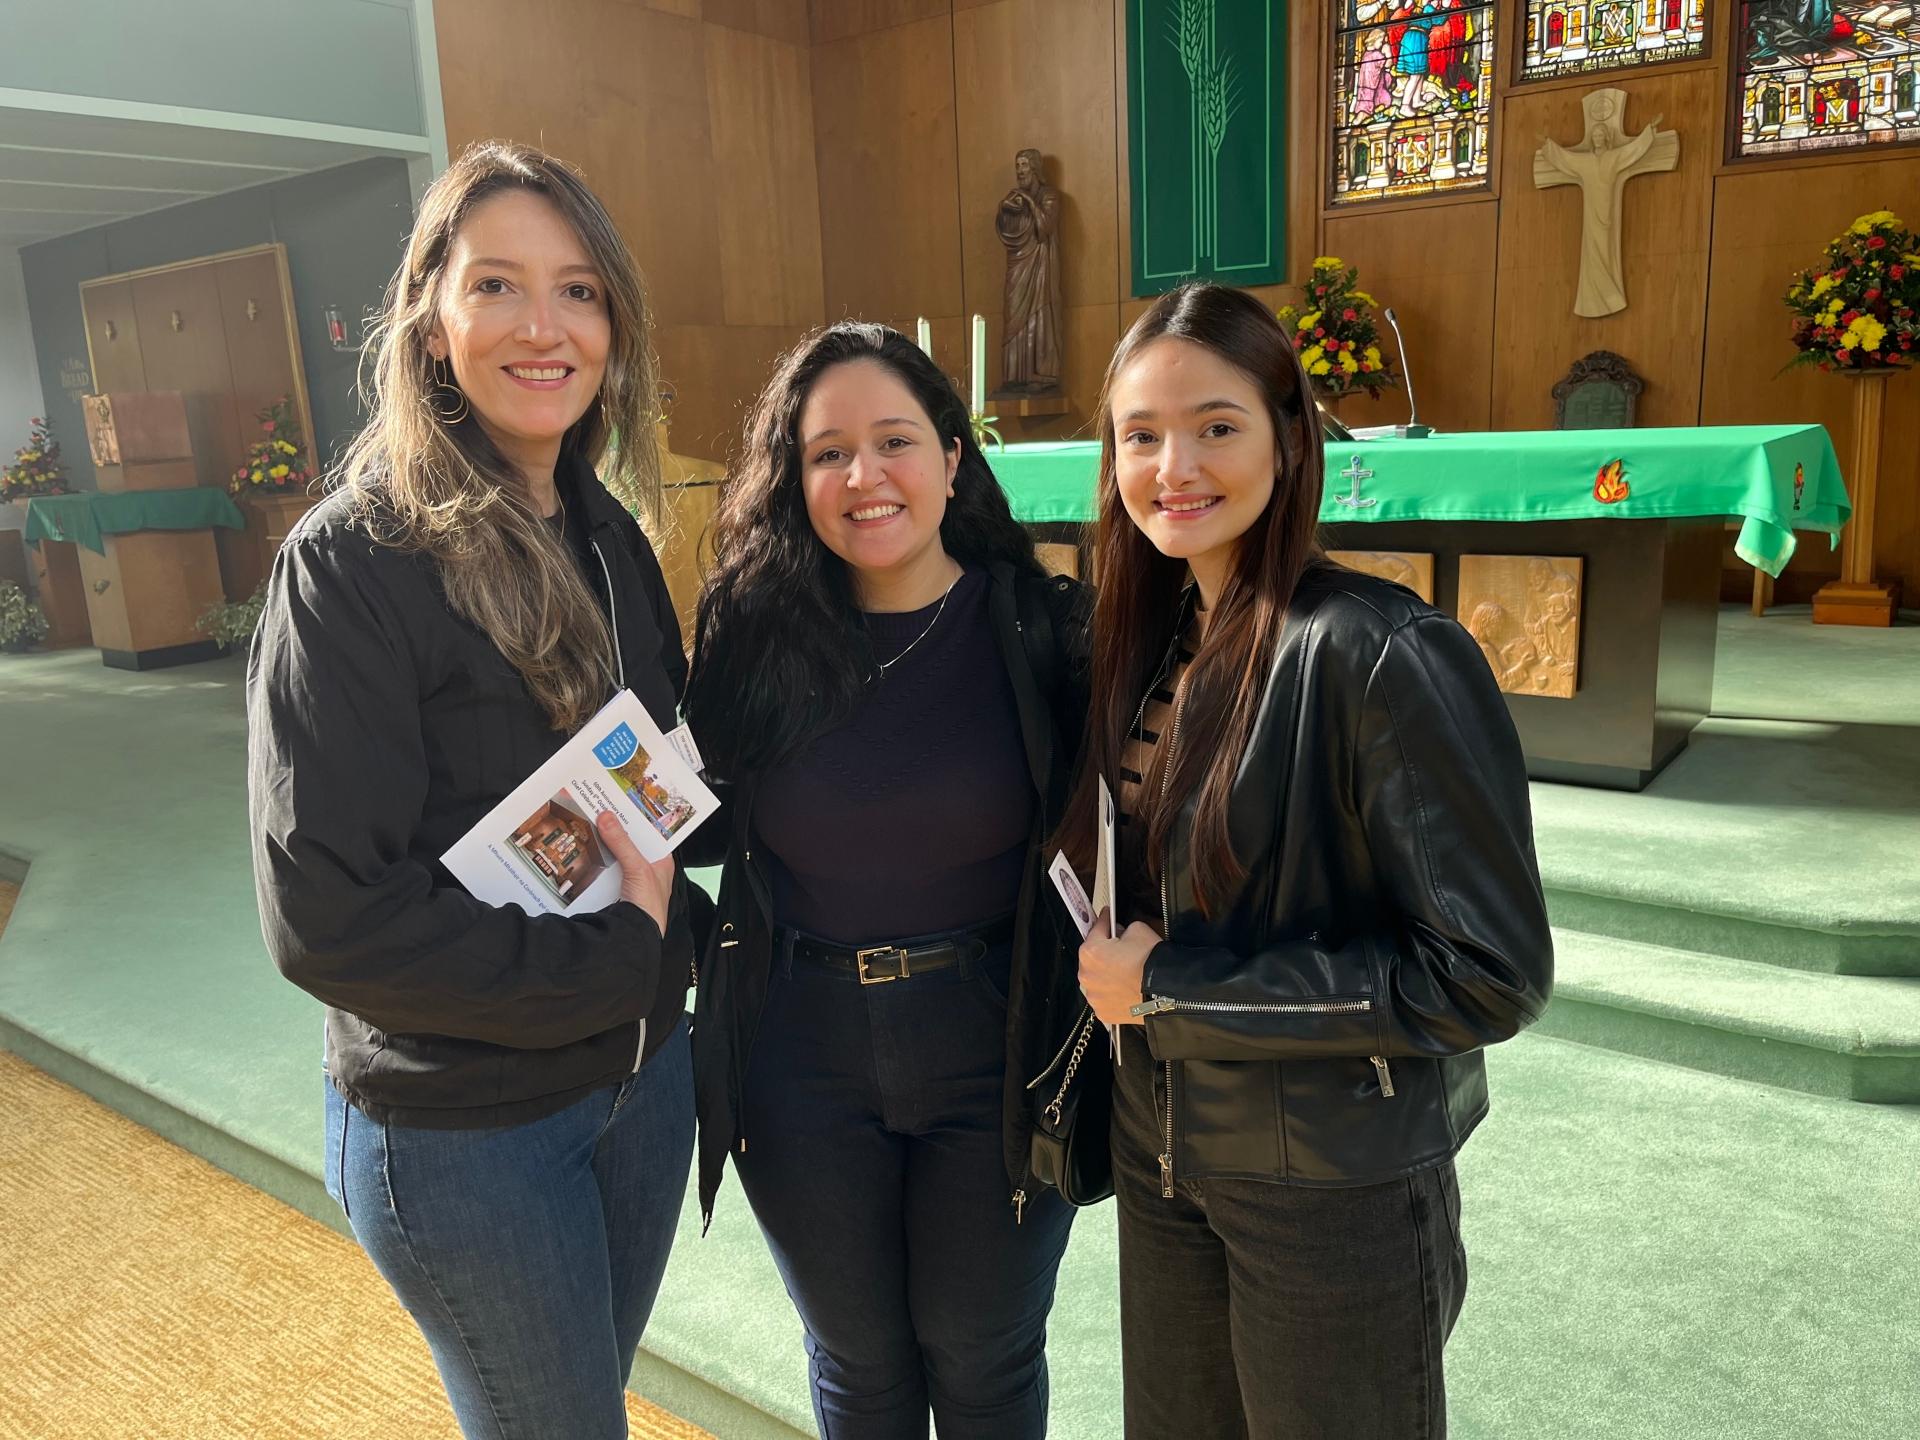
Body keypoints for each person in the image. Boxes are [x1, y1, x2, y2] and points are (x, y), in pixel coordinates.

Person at [247, 142, 697, 1440]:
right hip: (468, 1131)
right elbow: (325, 915)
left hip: (637, 1078)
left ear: (616, 323)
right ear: (433, 325)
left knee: (573, 1412)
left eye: (580, 291)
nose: (544, 326)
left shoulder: (609, 536)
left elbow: (651, 769)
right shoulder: (354, 563)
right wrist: (622, 956)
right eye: (497, 285)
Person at [1065, 282, 1553, 1438]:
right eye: (1142, 435)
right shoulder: (1147, 641)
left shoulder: (1381, 653)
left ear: (1291, 440)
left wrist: (1171, 994)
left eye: (1216, 426)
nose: (1173, 464)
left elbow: (1485, 972)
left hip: (1325, 1181)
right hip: (1163, 1148)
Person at [683, 321, 1090, 1440]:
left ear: (955, 458)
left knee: (984, 1356)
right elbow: (700, 819)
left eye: (896, 440)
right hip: (797, 1043)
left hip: (994, 1037)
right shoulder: (752, 630)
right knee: (858, 1363)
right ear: (794, 474)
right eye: (827, 452)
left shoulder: (1041, 628)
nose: (864, 477)